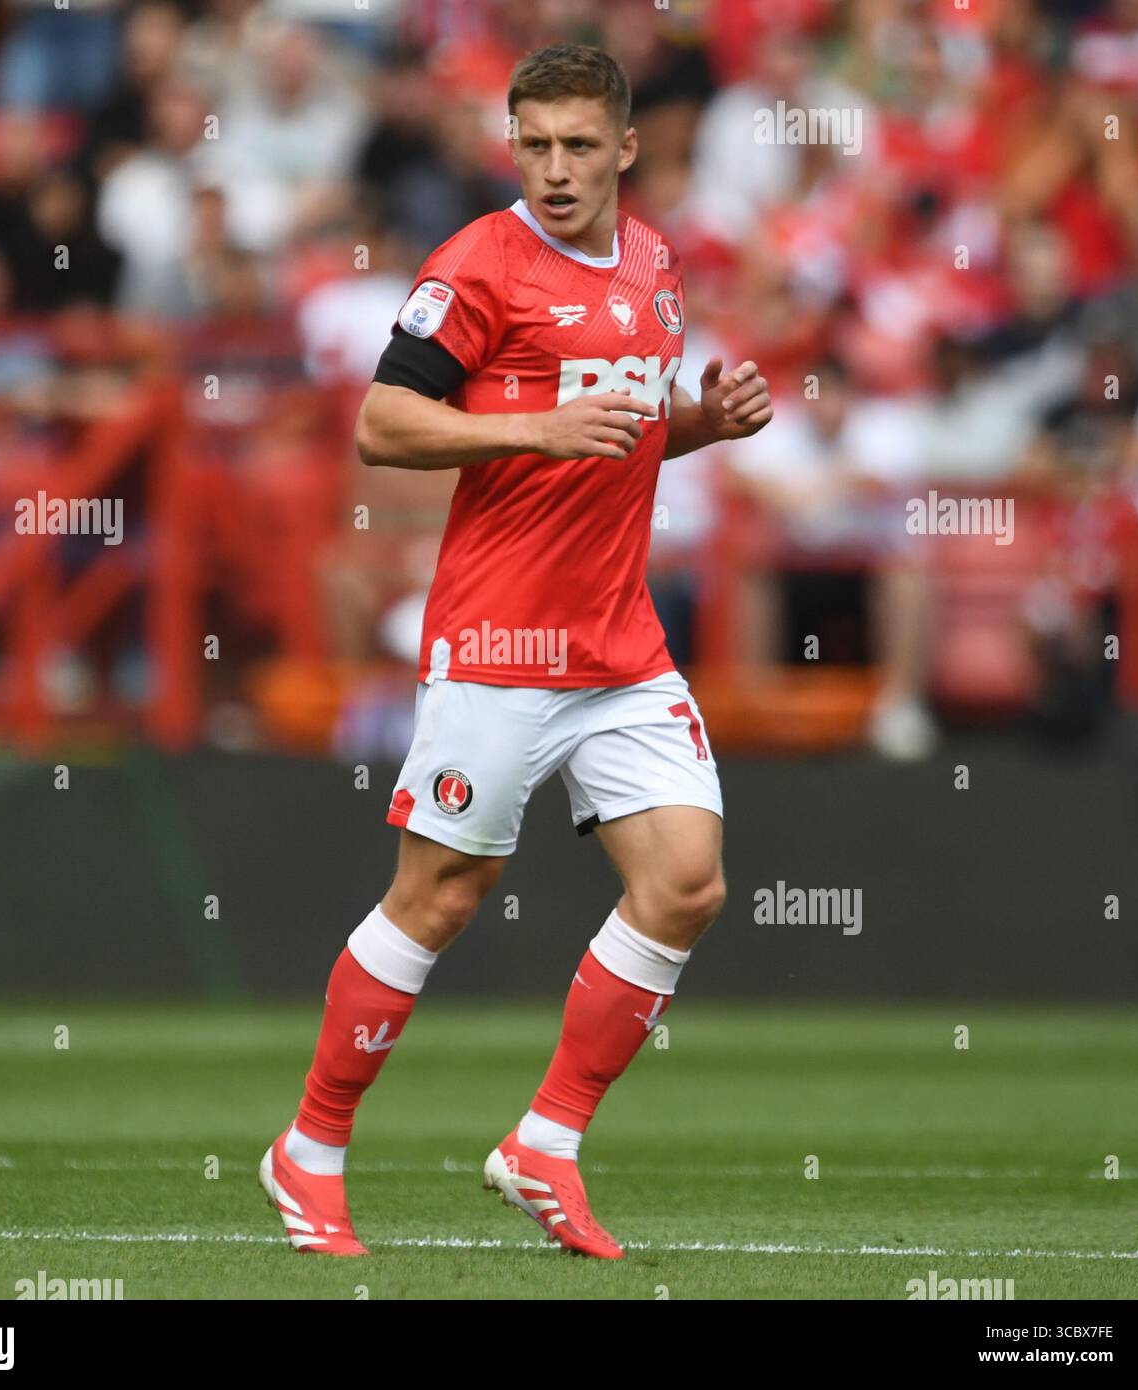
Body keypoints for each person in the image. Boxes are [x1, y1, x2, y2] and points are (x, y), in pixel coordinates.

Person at [259, 43, 773, 1260]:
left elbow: (624, 441)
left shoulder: (653, 264)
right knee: (440, 894)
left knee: (687, 880)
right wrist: (534, 423)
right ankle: (310, 1149)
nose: (553, 170)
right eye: (533, 144)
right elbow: (384, 422)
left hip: (619, 641)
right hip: (497, 639)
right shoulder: (478, 265)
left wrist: (706, 421)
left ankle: (545, 1142)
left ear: (627, 149)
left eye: (578, 145)